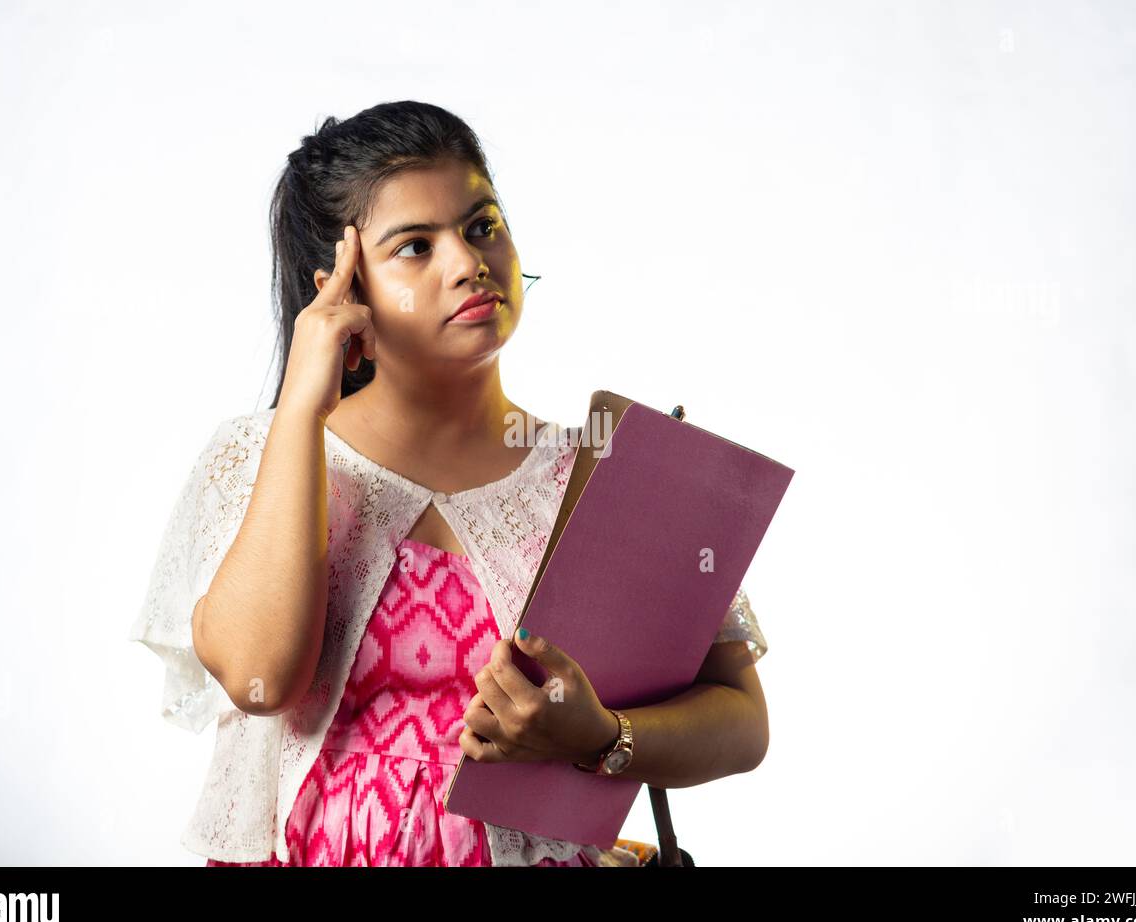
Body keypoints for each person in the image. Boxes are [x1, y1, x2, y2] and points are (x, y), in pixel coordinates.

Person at [129, 100, 770, 867]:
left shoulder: (600, 470)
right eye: (414, 246)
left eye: (481, 225)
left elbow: (741, 721)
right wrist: (302, 406)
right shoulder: (262, 457)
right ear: (340, 286)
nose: (467, 263)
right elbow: (262, 679)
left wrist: (602, 737)